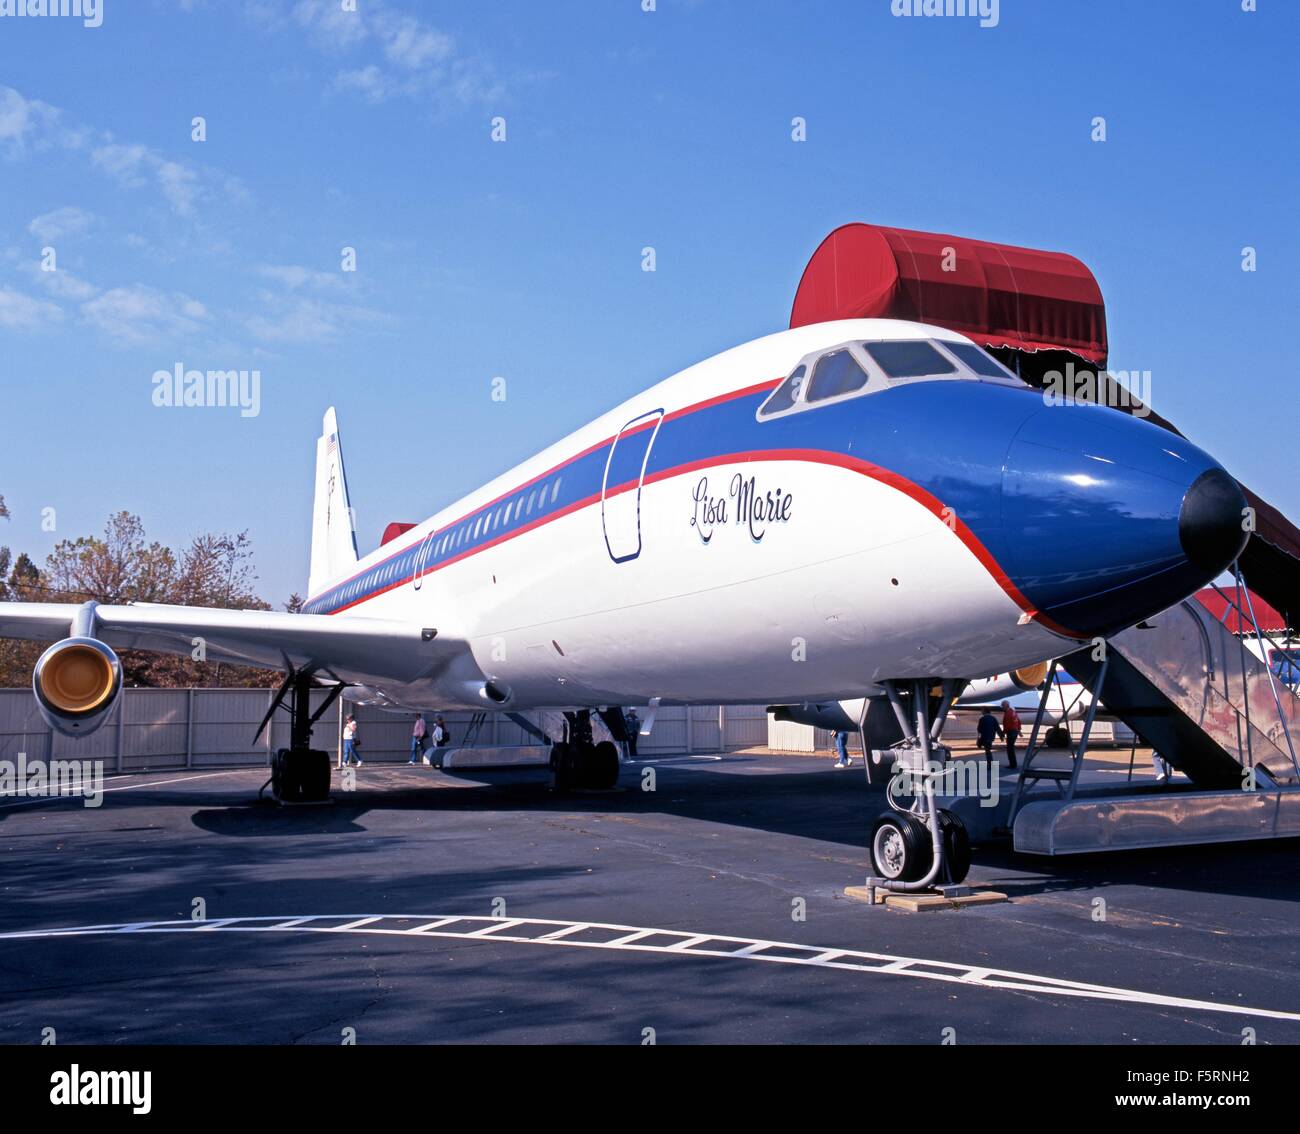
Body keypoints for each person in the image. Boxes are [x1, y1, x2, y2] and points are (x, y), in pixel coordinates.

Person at [1000, 701, 1021, 770]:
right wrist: (1019, 730)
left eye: (1002, 706)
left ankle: (1012, 764)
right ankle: (1013, 763)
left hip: (1011, 732)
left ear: (1006, 705)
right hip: (1014, 731)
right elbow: (1018, 721)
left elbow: (1007, 724)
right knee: (1011, 748)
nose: (1002, 707)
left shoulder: (1008, 713)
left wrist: (1003, 733)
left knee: (1010, 749)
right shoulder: (1013, 712)